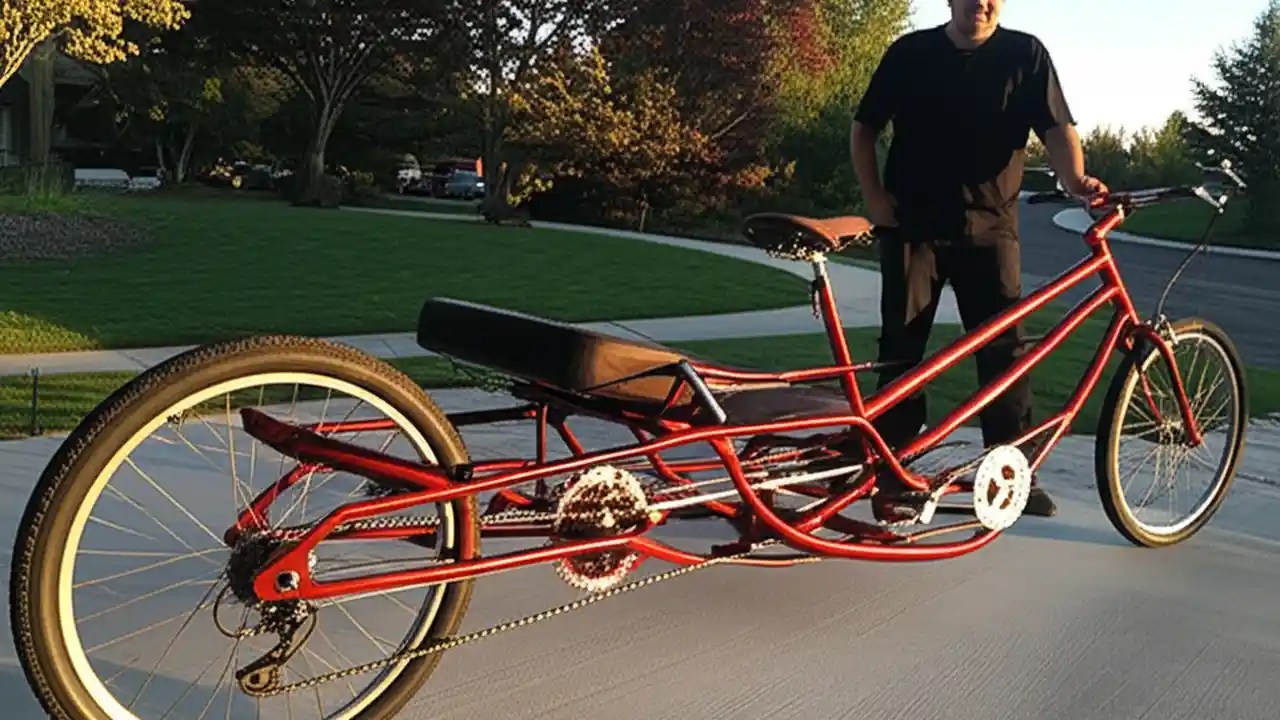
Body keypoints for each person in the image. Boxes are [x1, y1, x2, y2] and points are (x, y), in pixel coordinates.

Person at [850, 0, 1107, 519]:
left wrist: (1077, 181)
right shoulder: (911, 53)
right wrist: (875, 197)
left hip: (991, 230)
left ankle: (1014, 476)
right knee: (901, 348)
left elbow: (1057, 129)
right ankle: (892, 468)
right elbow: (864, 127)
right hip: (912, 228)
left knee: (1004, 355)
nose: (980, 4)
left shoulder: (1025, 55)